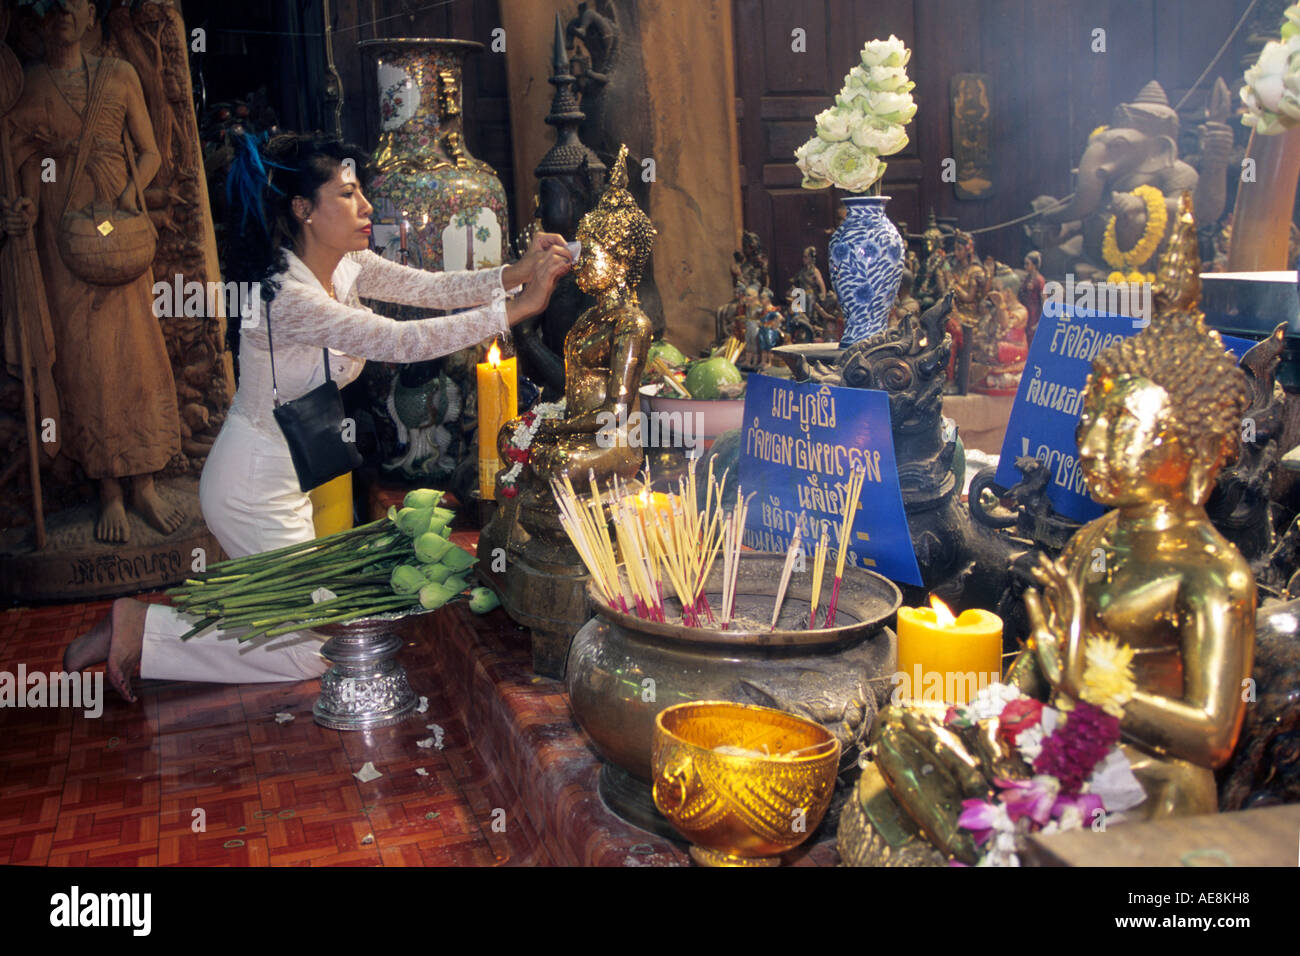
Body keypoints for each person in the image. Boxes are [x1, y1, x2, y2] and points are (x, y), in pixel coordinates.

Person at [62, 132, 572, 701]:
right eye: (349, 195)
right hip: (252, 484)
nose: (367, 208)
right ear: (303, 210)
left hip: (286, 478)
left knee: (292, 625)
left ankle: (139, 626)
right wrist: (517, 309)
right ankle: (141, 629)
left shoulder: (348, 263)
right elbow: (401, 340)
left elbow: (427, 289)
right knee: (308, 651)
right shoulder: (289, 296)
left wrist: (515, 272)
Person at [0, 0, 182, 543]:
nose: (63, 14)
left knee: (134, 352)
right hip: (61, 232)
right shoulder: (29, 85)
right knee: (84, 360)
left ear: (89, 18)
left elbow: (148, 151)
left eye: (74, 5)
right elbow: (26, 164)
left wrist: (128, 195)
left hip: (116, 226)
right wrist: (21, 211)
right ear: (39, 18)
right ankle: (106, 491)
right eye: (53, 5)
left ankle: (145, 482)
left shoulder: (118, 74)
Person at [1019, 250, 1046, 347]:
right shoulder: (1026, 278)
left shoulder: (1039, 280)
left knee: (1032, 336)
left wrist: (1041, 319)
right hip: (1025, 311)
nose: (1025, 266)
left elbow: (1044, 299)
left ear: (1034, 265)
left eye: (1027, 264)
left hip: (1034, 314)